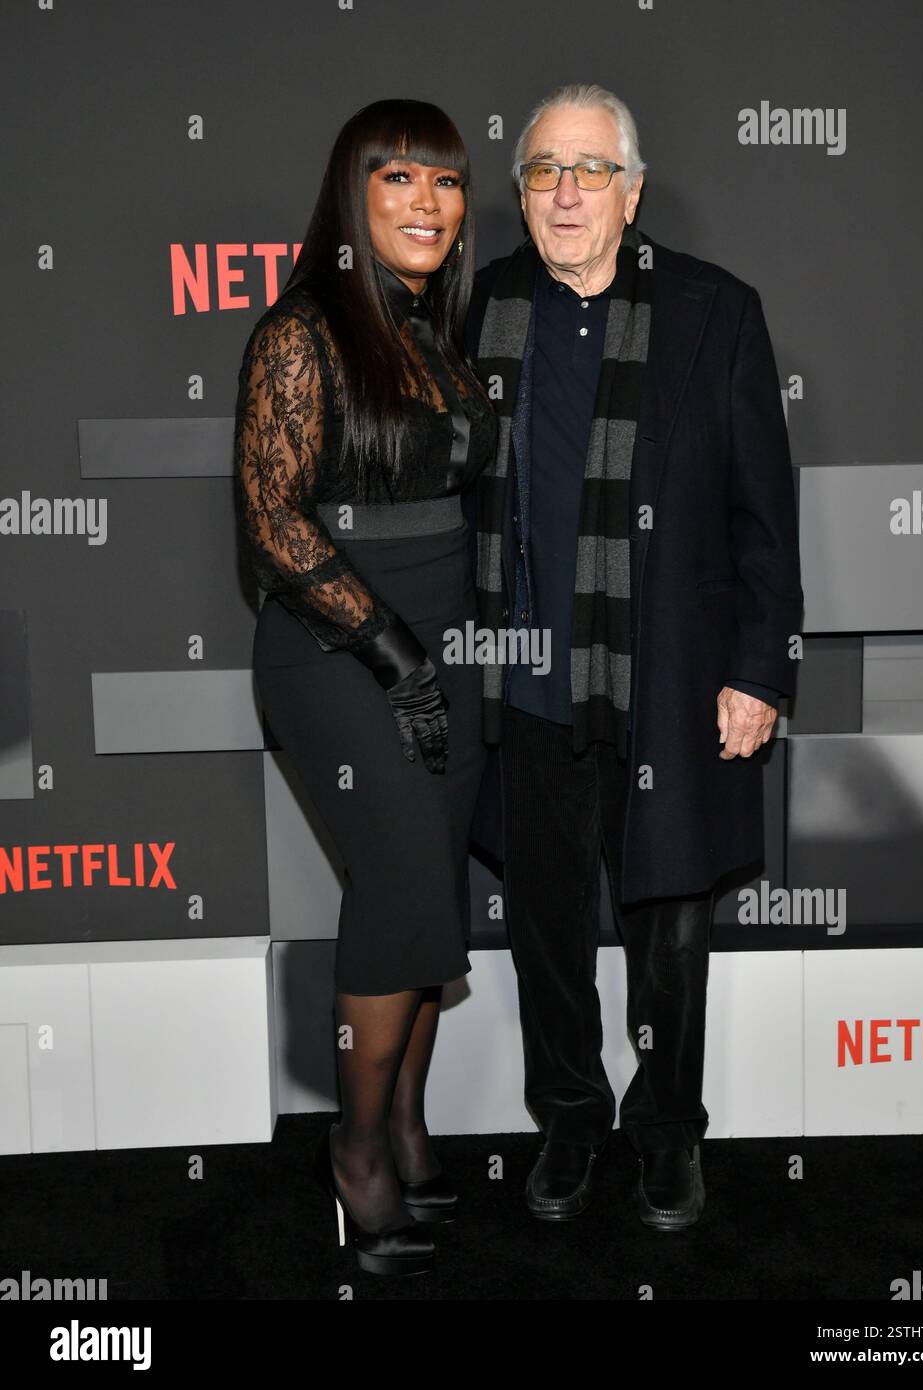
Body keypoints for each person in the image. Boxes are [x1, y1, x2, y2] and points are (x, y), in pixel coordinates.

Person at [464, 83, 803, 1231]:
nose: (565, 192)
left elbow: (765, 511)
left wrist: (759, 668)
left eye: (589, 169)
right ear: (521, 196)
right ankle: (567, 1119)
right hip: (524, 691)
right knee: (544, 928)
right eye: (543, 172)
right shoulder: (478, 309)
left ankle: (667, 1134)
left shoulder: (713, 313)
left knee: (669, 933)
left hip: (666, 689)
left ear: (633, 190)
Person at [233, 99, 496, 1275]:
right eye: (397, 180)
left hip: (445, 646)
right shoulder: (301, 331)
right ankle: (352, 1152)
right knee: (395, 886)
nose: (426, 204)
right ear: (353, 196)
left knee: (432, 889)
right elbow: (271, 524)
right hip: (338, 653)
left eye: (443, 183)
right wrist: (390, 651)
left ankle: (402, 1123)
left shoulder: (436, 330)